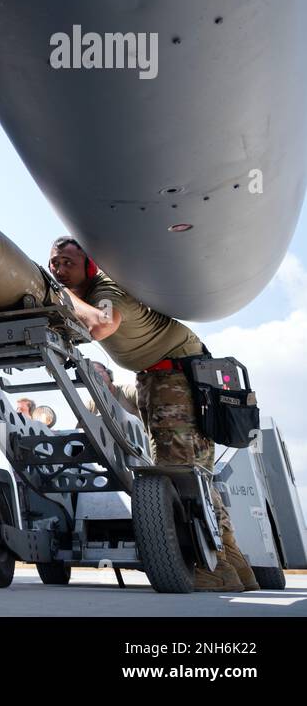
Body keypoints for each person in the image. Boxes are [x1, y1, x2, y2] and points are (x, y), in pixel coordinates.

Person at [48, 235, 256, 591]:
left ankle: (209, 568)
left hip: (172, 375)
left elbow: (101, 324)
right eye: (55, 263)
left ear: (90, 266)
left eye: (69, 262)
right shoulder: (93, 292)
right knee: (197, 475)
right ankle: (233, 566)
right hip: (170, 374)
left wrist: (64, 298)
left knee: (176, 475)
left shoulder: (104, 292)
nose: (60, 269)